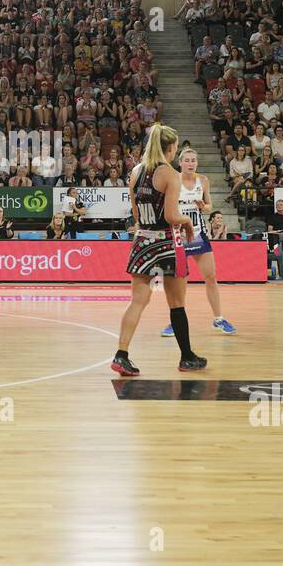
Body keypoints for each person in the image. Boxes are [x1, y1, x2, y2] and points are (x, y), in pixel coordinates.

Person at [111, 124, 207, 377]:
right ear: (172, 147)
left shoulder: (136, 171)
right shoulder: (169, 173)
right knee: (177, 303)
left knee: (137, 301)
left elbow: (135, 213)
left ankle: (121, 355)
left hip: (142, 239)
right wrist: (187, 222)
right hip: (166, 241)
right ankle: (187, 357)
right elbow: (171, 215)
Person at [159, 147, 235, 337]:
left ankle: (218, 319)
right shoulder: (173, 180)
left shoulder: (203, 181)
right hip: (178, 237)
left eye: (194, 160)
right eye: (188, 160)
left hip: (199, 235)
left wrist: (204, 206)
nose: (191, 163)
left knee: (210, 277)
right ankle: (175, 322)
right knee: (180, 282)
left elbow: (210, 207)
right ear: (181, 163)